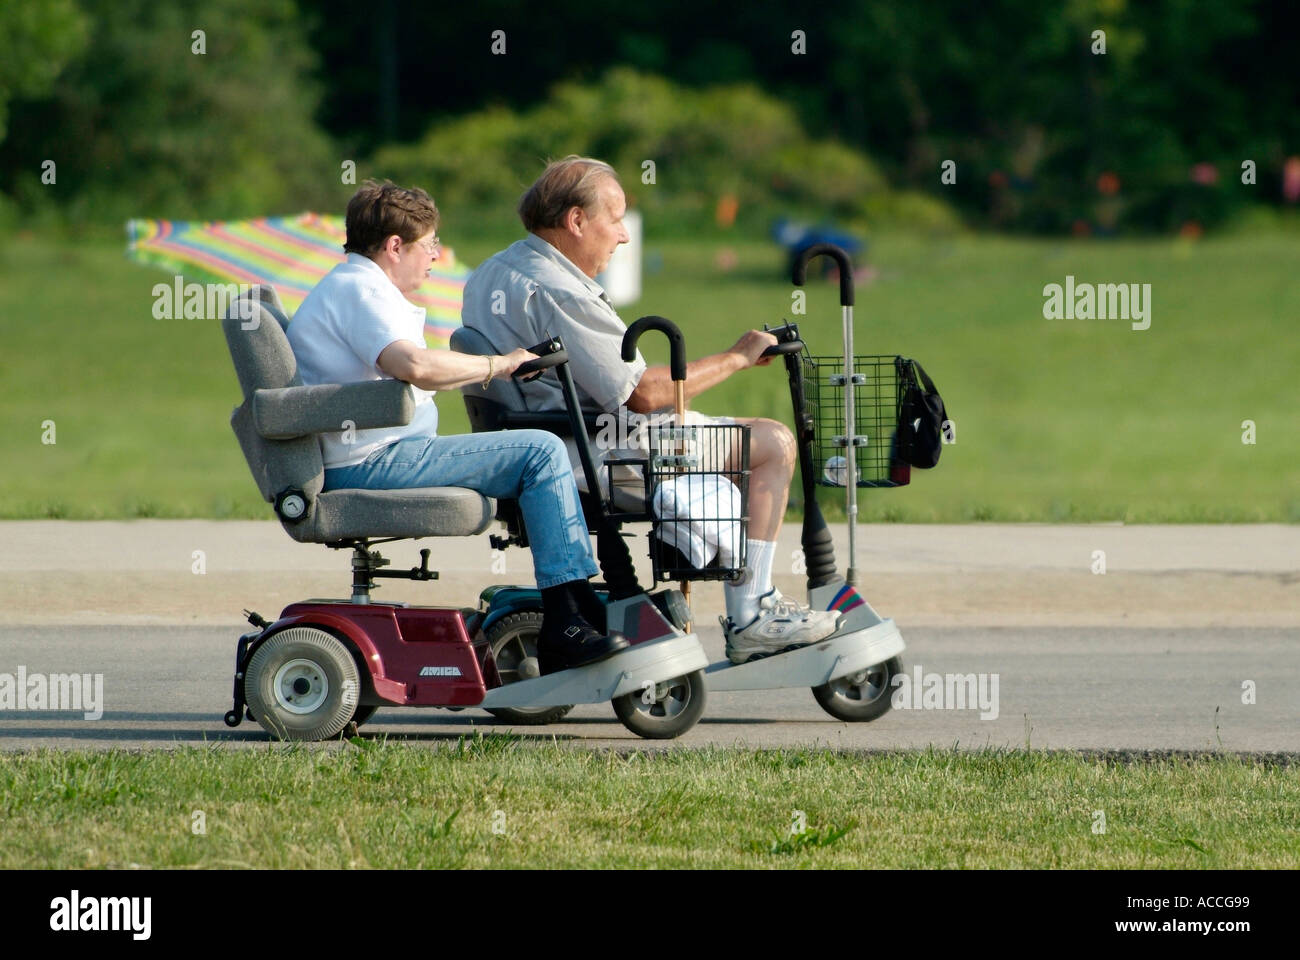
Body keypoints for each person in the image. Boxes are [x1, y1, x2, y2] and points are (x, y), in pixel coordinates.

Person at [461, 156, 841, 665]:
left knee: (738, 439)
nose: (622, 235)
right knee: (772, 442)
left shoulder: (491, 271)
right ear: (576, 221)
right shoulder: (560, 289)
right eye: (613, 219)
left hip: (559, 439)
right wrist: (737, 357)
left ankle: (725, 590)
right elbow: (641, 394)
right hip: (597, 451)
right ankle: (752, 616)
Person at [286, 179, 623, 675]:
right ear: (395, 246)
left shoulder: (354, 286)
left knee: (536, 452)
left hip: (382, 453)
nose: (436, 257)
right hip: (372, 462)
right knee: (541, 451)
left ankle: (573, 603)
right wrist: (499, 365)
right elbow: (415, 366)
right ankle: (565, 619)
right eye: (430, 245)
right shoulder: (359, 289)